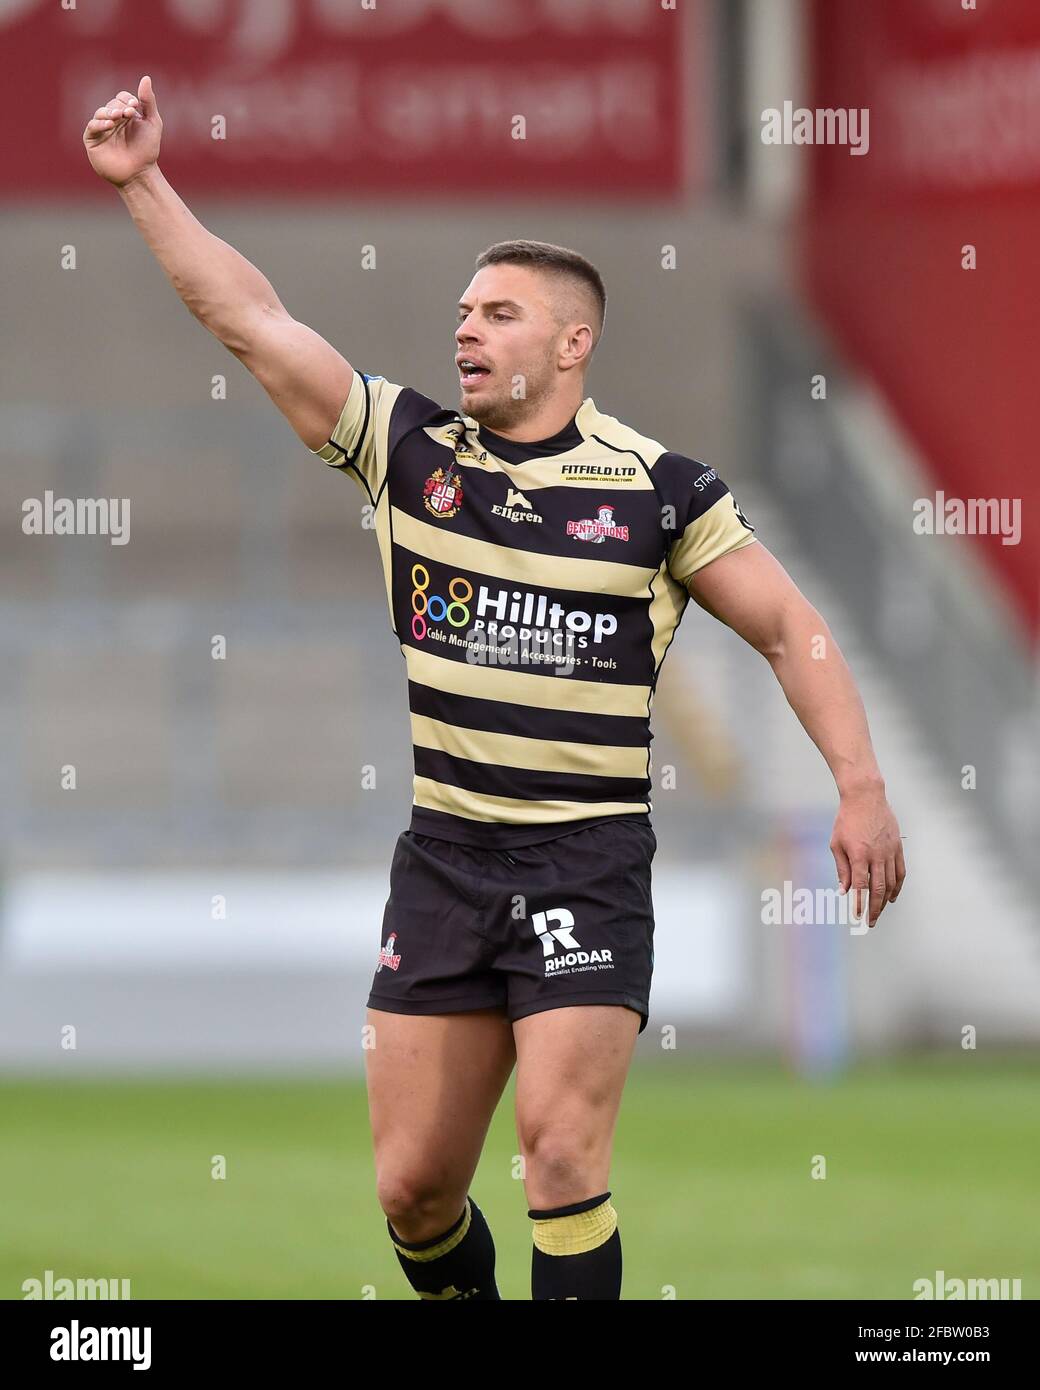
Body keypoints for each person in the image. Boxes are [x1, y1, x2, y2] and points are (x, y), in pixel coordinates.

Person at [84, 77, 906, 1301]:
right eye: (462, 310)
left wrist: (860, 786)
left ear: (571, 343)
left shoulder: (660, 490)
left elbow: (789, 628)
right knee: (413, 1190)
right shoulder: (406, 455)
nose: (464, 330)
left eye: (499, 313)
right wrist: (143, 184)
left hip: (584, 861)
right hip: (446, 861)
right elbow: (253, 321)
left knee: (560, 1155)